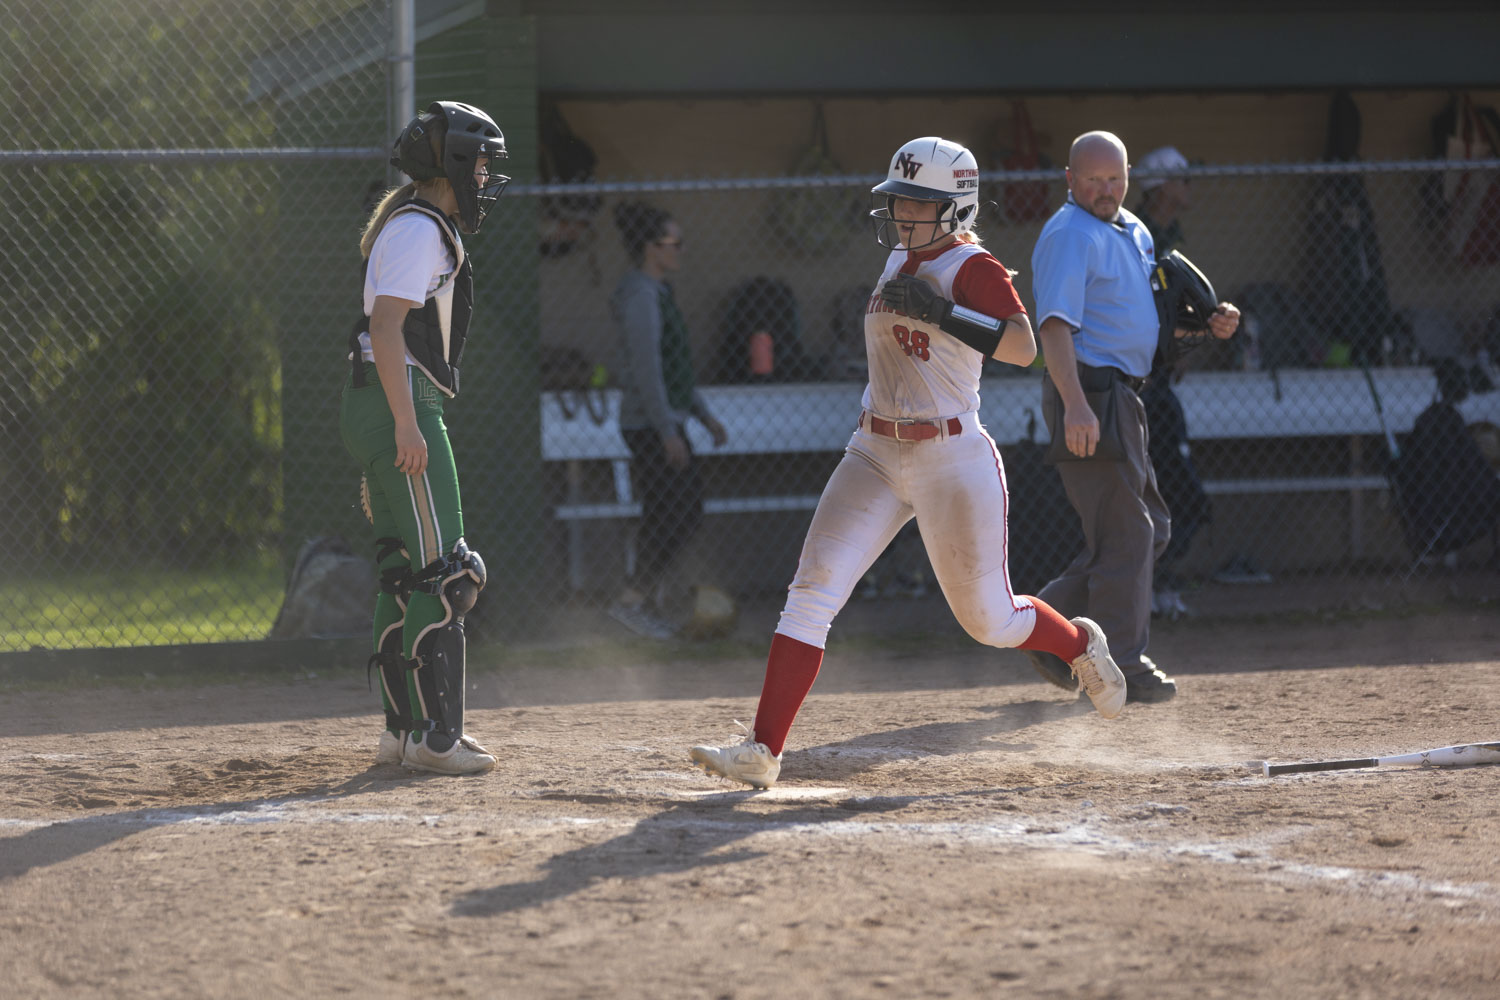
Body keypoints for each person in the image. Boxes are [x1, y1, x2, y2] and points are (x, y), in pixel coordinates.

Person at [688, 137, 1128, 790]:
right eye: (898, 200)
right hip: (873, 448)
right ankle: (763, 750)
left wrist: (949, 316)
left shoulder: (971, 264)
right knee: (811, 593)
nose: (901, 213)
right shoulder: (898, 255)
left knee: (991, 620)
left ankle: (1078, 646)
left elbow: (1021, 347)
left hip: (951, 456)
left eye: (917, 202)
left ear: (955, 206)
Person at [1025, 131, 1239, 705]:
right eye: (1092, 180)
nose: (1105, 189)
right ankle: (1119, 660)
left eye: (1114, 178)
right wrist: (1075, 404)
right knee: (1130, 533)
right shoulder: (1069, 234)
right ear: (1070, 180)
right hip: (1090, 391)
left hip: (1125, 394)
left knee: (1149, 530)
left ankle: (1042, 630)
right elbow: (1054, 328)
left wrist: (1205, 327)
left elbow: (1151, 324)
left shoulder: (1133, 229)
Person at [340, 101, 509, 775]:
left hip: (375, 403)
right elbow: (386, 329)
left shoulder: (414, 223)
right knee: (450, 574)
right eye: (480, 161)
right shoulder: (420, 232)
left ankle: (401, 733)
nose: (486, 174)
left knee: (403, 573)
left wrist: (388, 425)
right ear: (452, 166)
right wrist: (406, 424)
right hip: (400, 403)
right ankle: (437, 740)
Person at [608, 202, 728, 639]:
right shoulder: (640, 295)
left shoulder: (660, 291)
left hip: (666, 421)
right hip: (649, 425)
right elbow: (647, 370)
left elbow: (675, 368)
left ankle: (641, 601)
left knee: (676, 512)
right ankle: (632, 603)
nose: (680, 250)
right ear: (649, 248)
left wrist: (703, 416)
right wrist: (666, 430)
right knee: (674, 513)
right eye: (671, 243)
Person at [1134, 146, 1211, 618]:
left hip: (1161, 381)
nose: (1188, 188)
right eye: (1181, 180)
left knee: (1177, 492)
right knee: (1163, 491)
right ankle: (1150, 586)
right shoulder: (1139, 234)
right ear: (1160, 186)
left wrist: (1183, 341)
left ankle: (1159, 582)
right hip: (1141, 385)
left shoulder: (1170, 233)